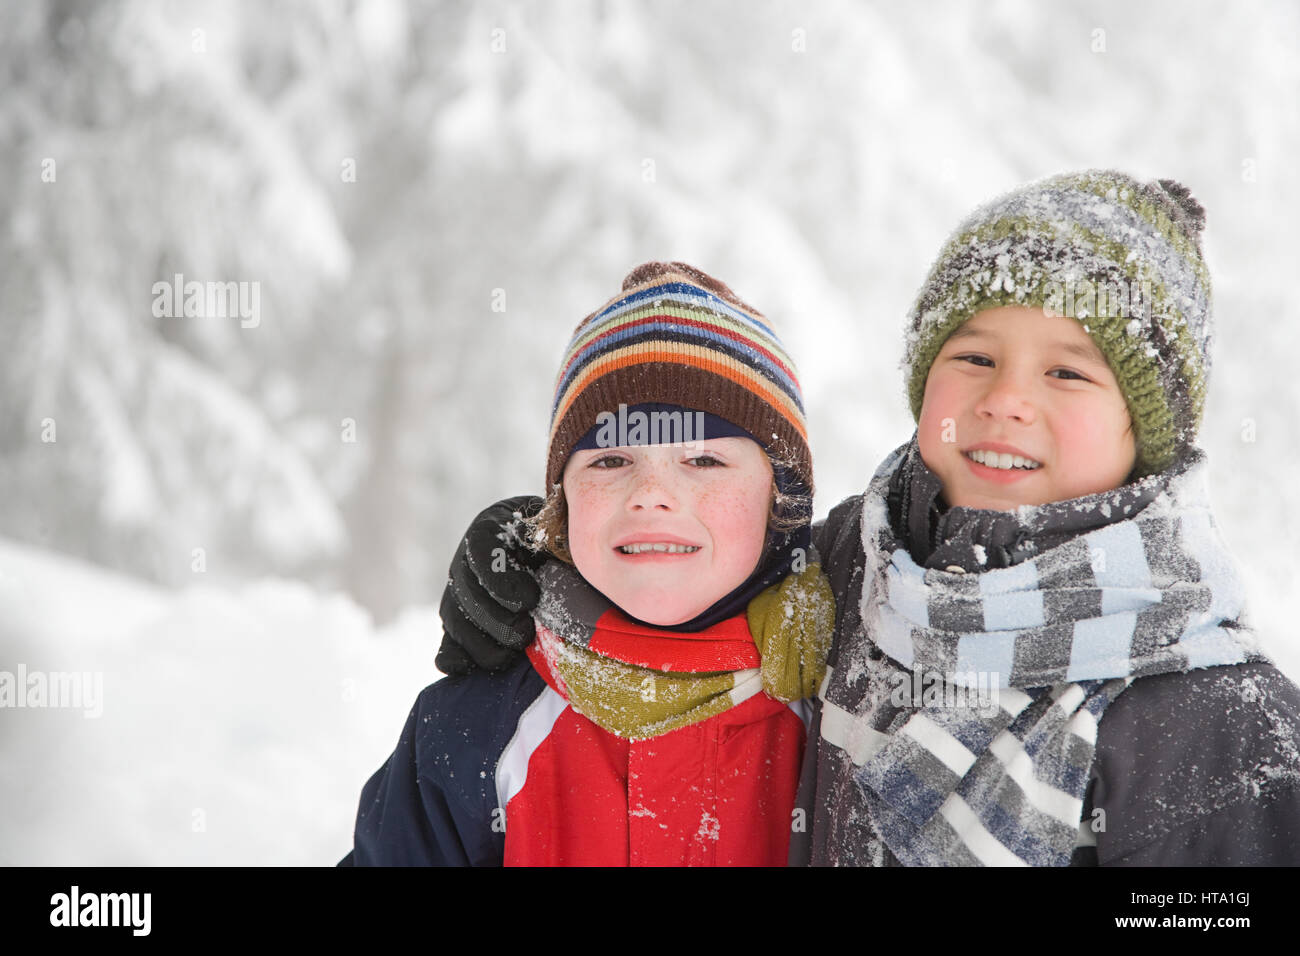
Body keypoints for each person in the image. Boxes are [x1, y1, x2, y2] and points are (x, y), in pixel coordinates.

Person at [438, 172, 1300, 866]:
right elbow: (703, 560)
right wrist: (534, 554)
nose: (1005, 400)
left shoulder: (1217, 724)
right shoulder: (864, 562)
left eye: (1068, 374)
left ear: (1145, 431)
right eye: (974, 357)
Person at [342, 261, 832, 866]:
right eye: (610, 461)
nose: (652, 493)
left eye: (704, 460)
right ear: (563, 504)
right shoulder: (470, 728)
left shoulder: (842, 711)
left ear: (781, 502)